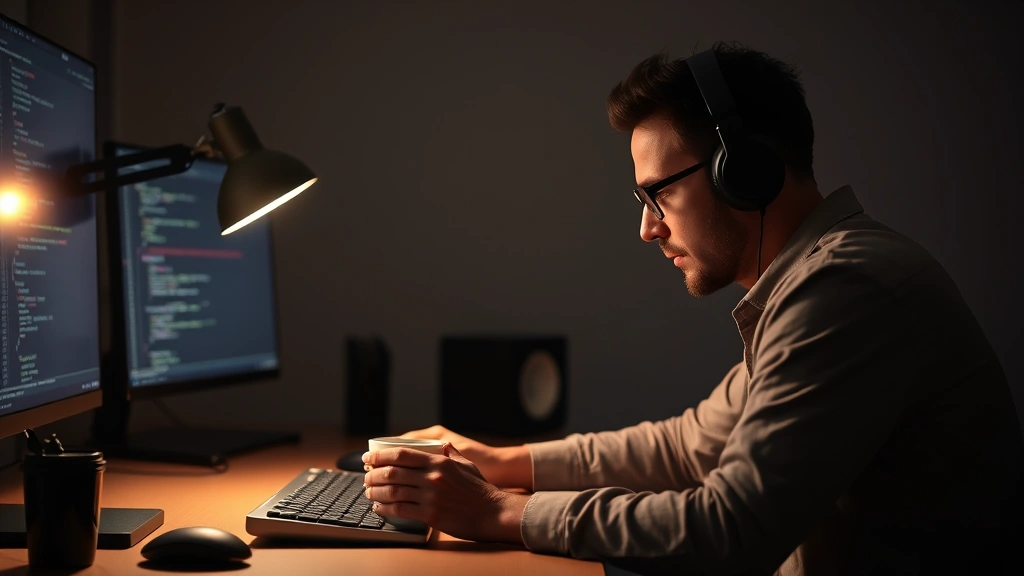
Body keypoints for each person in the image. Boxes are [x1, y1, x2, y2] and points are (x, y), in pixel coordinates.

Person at [361, 42, 1024, 575]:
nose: (649, 229)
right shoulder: (814, 283)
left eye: (659, 197)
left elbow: (729, 531)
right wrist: (500, 462)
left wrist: (499, 514)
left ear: (746, 170)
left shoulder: (847, 290)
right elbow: (686, 447)